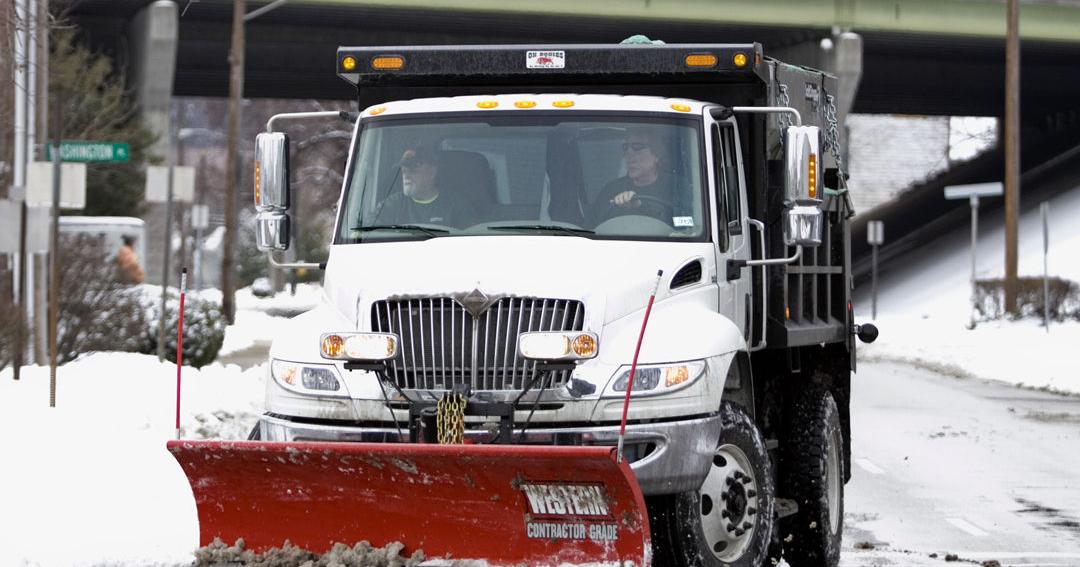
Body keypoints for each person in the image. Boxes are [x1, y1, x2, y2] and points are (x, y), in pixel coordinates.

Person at [590, 128, 678, 226]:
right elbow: (592, 228)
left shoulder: (676, 187)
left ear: (656, 154)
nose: (629, 154)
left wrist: (640, 206)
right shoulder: (611, 190)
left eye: (637, 147)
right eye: (625, 148)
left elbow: (686, 226)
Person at [373, 144, 473, 227]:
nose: (406, 175)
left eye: (413, 168)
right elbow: (370, 234)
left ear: (432, 172)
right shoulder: (390, 206)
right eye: (403, 169)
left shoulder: (456, 205)